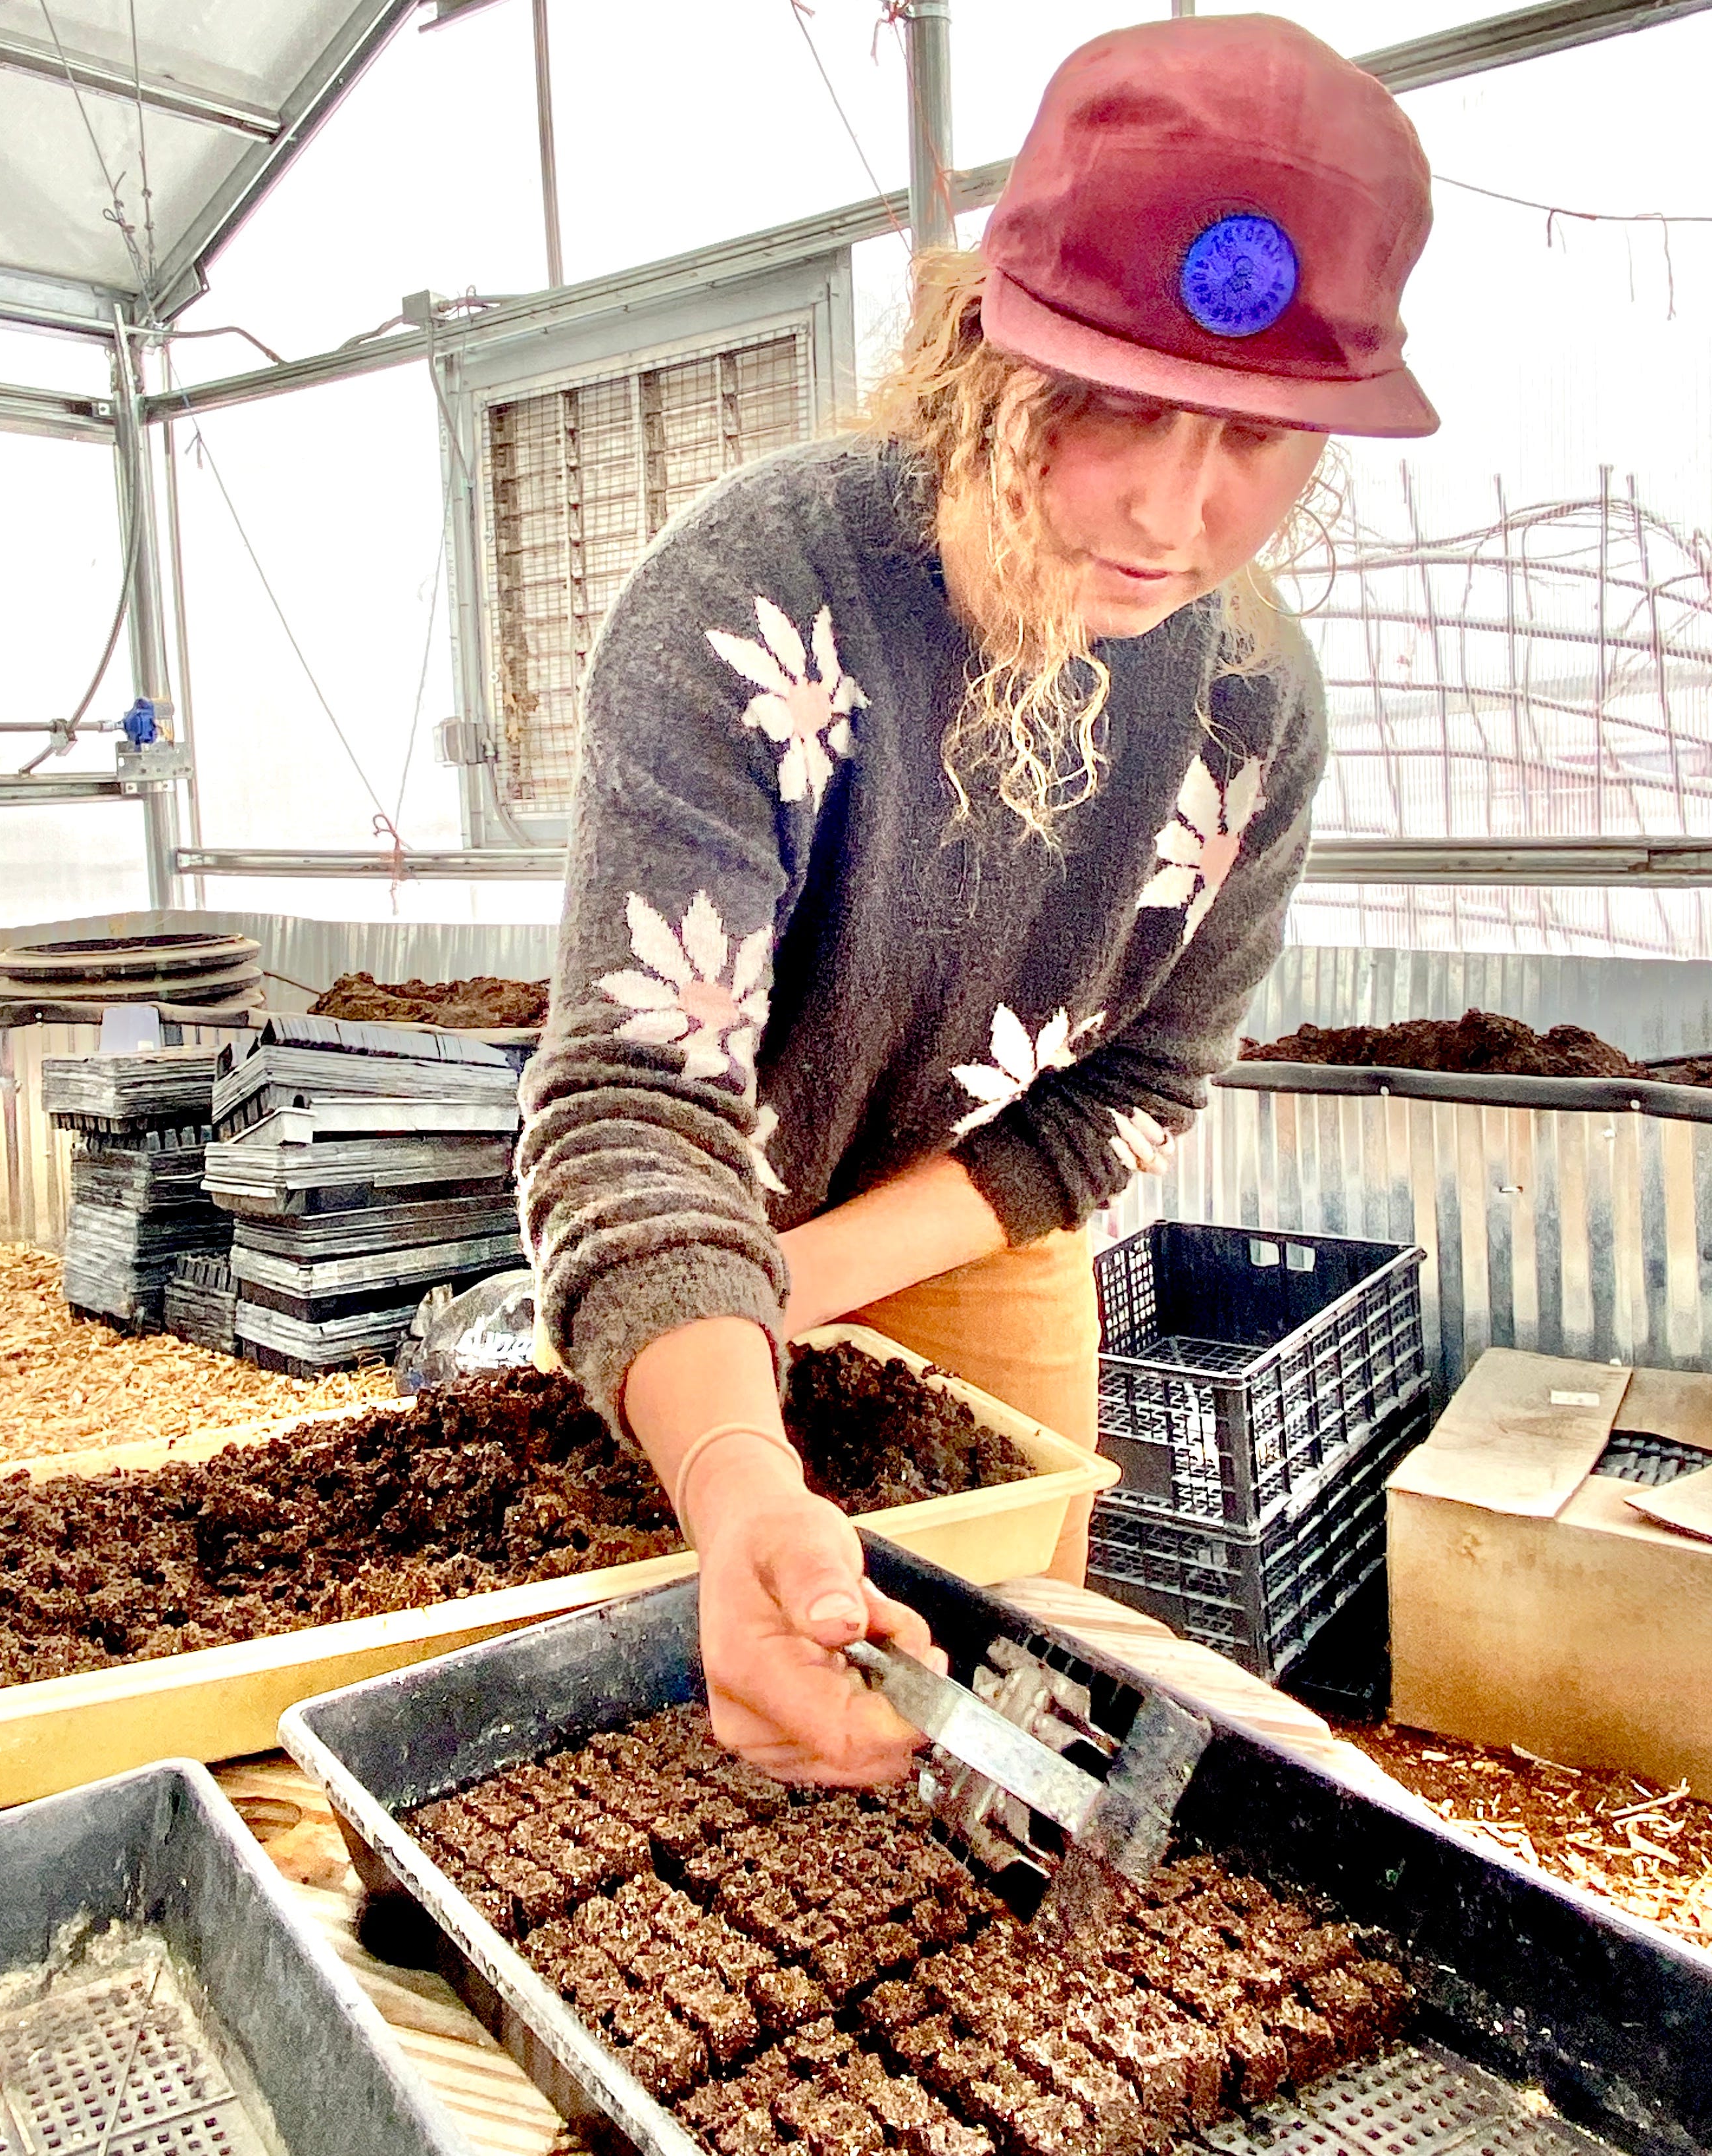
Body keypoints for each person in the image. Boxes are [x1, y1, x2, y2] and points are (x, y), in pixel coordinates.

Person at [518, 13, 1436, 1784]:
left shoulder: (1252, 705)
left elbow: (1130, 1092)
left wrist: (822, 1275)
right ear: (988, 347)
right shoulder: (749, 600)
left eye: (1261, 438)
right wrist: (734, 1445)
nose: (1180, 510)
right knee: (699, 1709)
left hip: (962, 1245)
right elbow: (635, 1094)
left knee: (980, 1722)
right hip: (686, 1236)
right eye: (1123, 408)